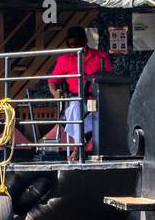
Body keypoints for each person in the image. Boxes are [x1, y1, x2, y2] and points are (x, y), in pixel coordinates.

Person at [47, 27, 112, 160]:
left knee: (103, 115)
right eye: (71, 45)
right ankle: (78, 148)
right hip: (76, 99)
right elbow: (52, 82)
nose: (74, 47)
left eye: (77, 44)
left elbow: (110, 78)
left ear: (85, 41)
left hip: (96, 98)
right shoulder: (63, 59)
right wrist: (55, 93)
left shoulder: (100, 56)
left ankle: (101, 150)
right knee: (76, 108)